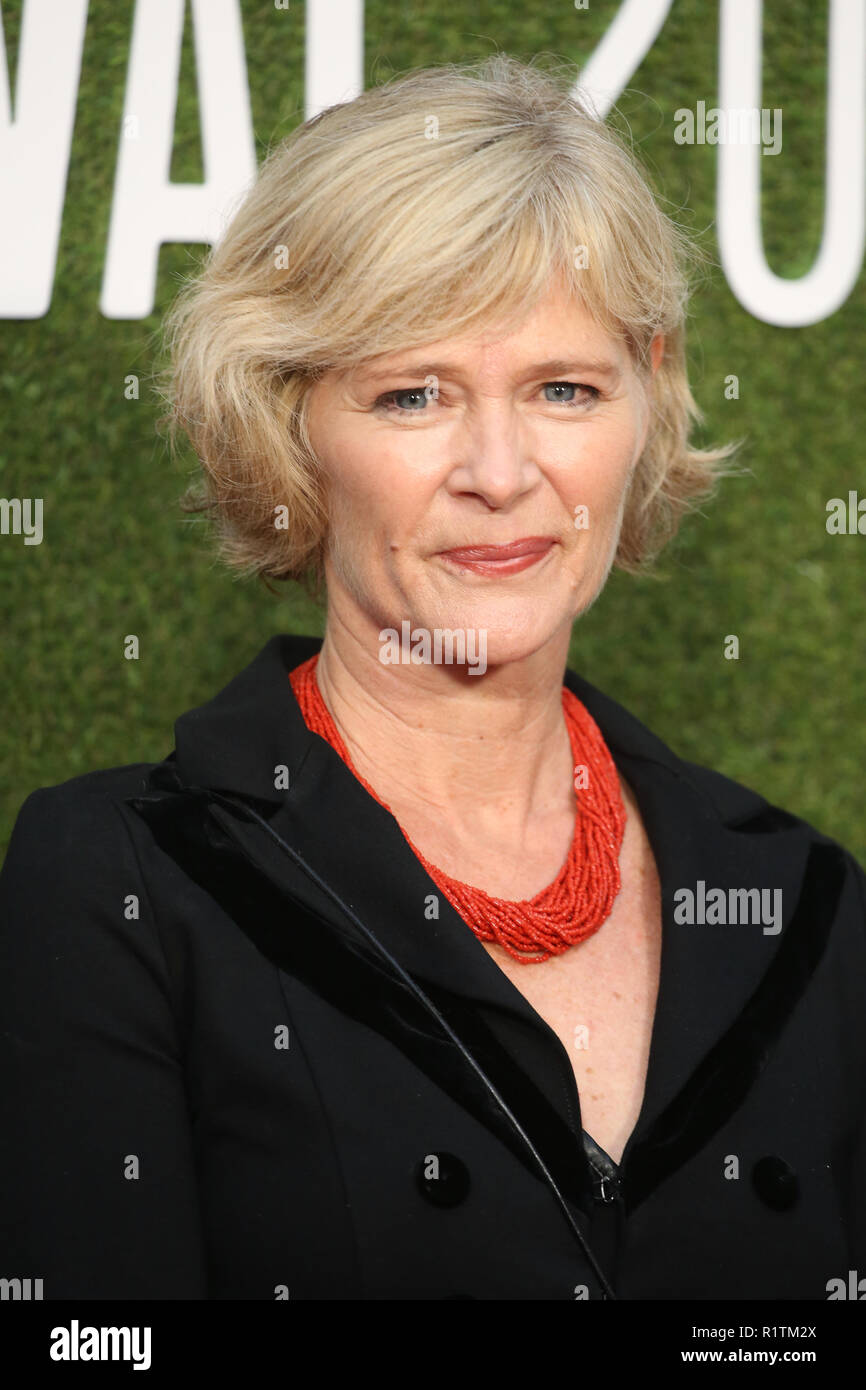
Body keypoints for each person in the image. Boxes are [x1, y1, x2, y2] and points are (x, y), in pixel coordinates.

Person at [1, 53, 864, 1302]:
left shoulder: (800, 902)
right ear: (286, 429)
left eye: (563, 388)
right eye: (414, 396)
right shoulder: (120, 884)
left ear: (644, 408)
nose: (500, 470)